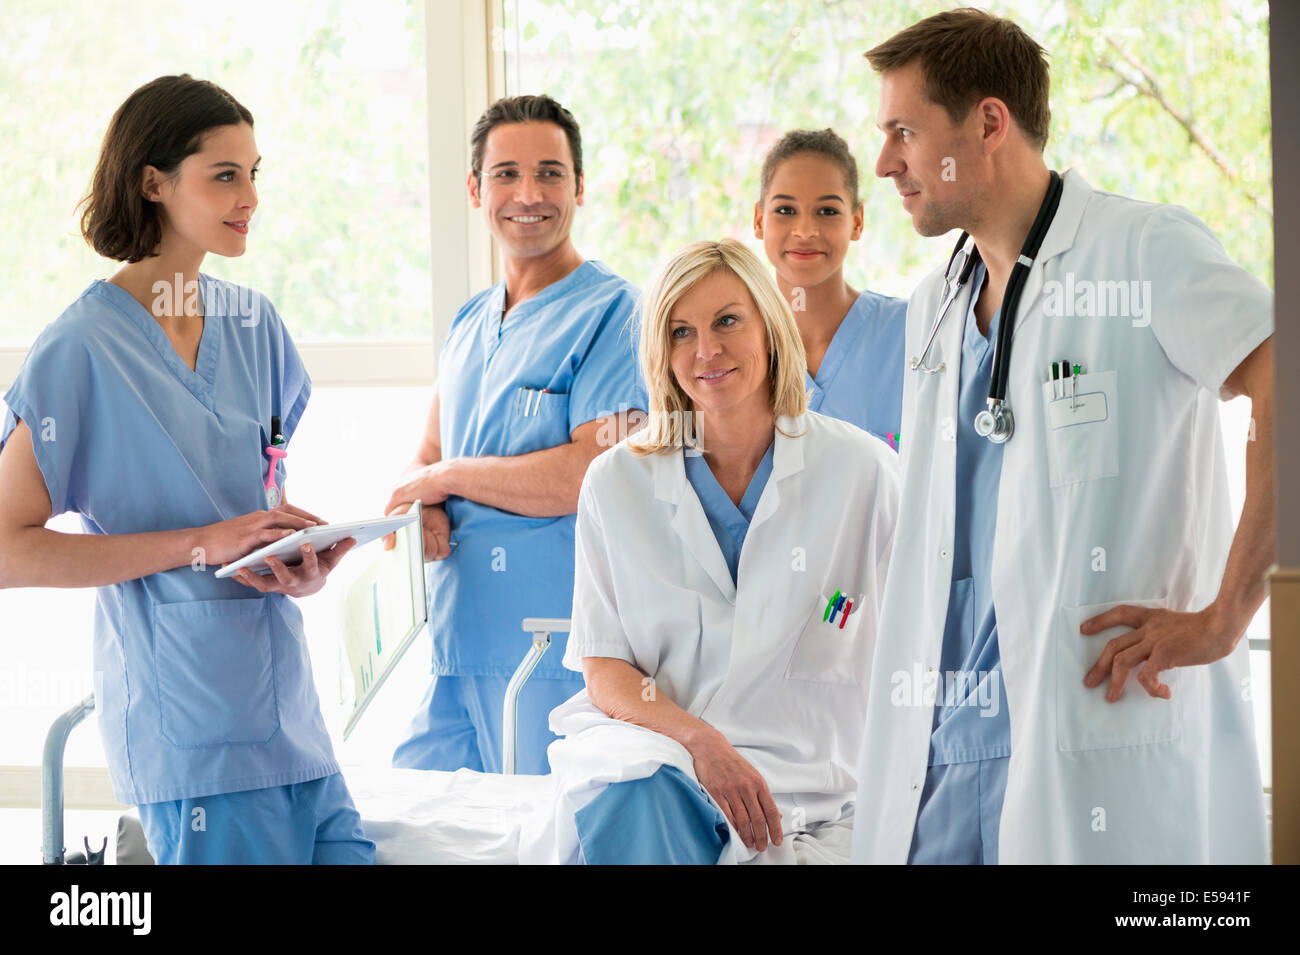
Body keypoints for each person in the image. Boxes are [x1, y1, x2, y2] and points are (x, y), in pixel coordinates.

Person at [852, 9, 1272, 864]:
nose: (887, 161)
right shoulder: (936, 302)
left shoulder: (1142, 249)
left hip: (1090, 733)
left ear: (989, 123)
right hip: (940, 746)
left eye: (904, 130)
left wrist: (1228, 616)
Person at [0, 75, 374, 864]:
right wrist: (199, 542)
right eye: (225, 174)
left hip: (292, 719)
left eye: (254, 173)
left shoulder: (254, 325)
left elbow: (249, 505)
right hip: (193, 730)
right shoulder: (82, 350)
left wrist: (294, 560)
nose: (250, 197)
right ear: (154, 183)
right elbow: (8, 547)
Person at [518, 239, 900, 864]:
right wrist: (704, 744)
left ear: (770, 327)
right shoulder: (618, 482)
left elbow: (922, 640)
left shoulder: (863, 473)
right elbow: (605, 666)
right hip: (661, 752)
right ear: (660, 353)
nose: (706, 351)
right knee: (635, 794)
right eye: (680, 331)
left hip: (811, 783)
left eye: (727, 320)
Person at [385, 95, 646, 776]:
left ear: (580, 188)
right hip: (455, 644)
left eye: (551, 174)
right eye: (505, 174)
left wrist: (442, 481)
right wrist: (427, 500)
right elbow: (428, 455)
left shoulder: (615, 313)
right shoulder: (471, 321)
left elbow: (588, 471)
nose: (528, 194)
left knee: (540, 840)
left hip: (551, 654)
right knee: (408, 829)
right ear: (475, 189)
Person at [753, 128, 907, 447]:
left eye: (827, 211)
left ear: (857, 222)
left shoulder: (912, 334)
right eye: (785, 210)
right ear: (759, 220)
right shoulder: (727, 342)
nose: (806, 231)